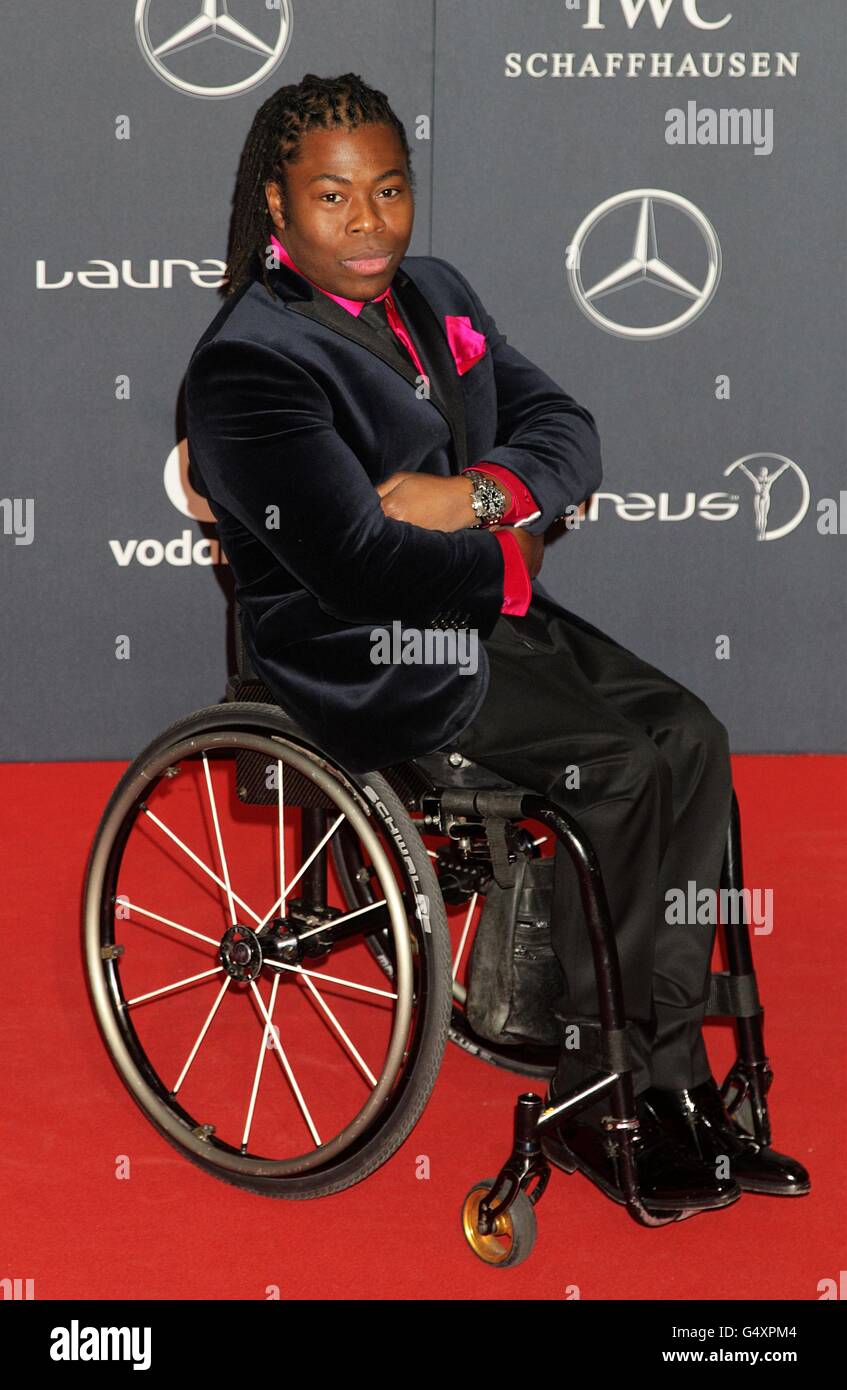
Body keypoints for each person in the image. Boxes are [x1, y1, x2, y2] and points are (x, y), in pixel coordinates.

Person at [184, 72, 809, 1214]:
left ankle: (675, 1083)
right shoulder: (248, 367)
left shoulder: (434, 295)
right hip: (362, 650)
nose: (368, 222)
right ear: (276, 208)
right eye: (333, 197)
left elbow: (564, 430)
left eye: (388, 189)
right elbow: (357, 565)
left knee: (689, 737)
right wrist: (498, 527)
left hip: (487, 609)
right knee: (616, 771)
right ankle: (599, 1097)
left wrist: (473, 495)